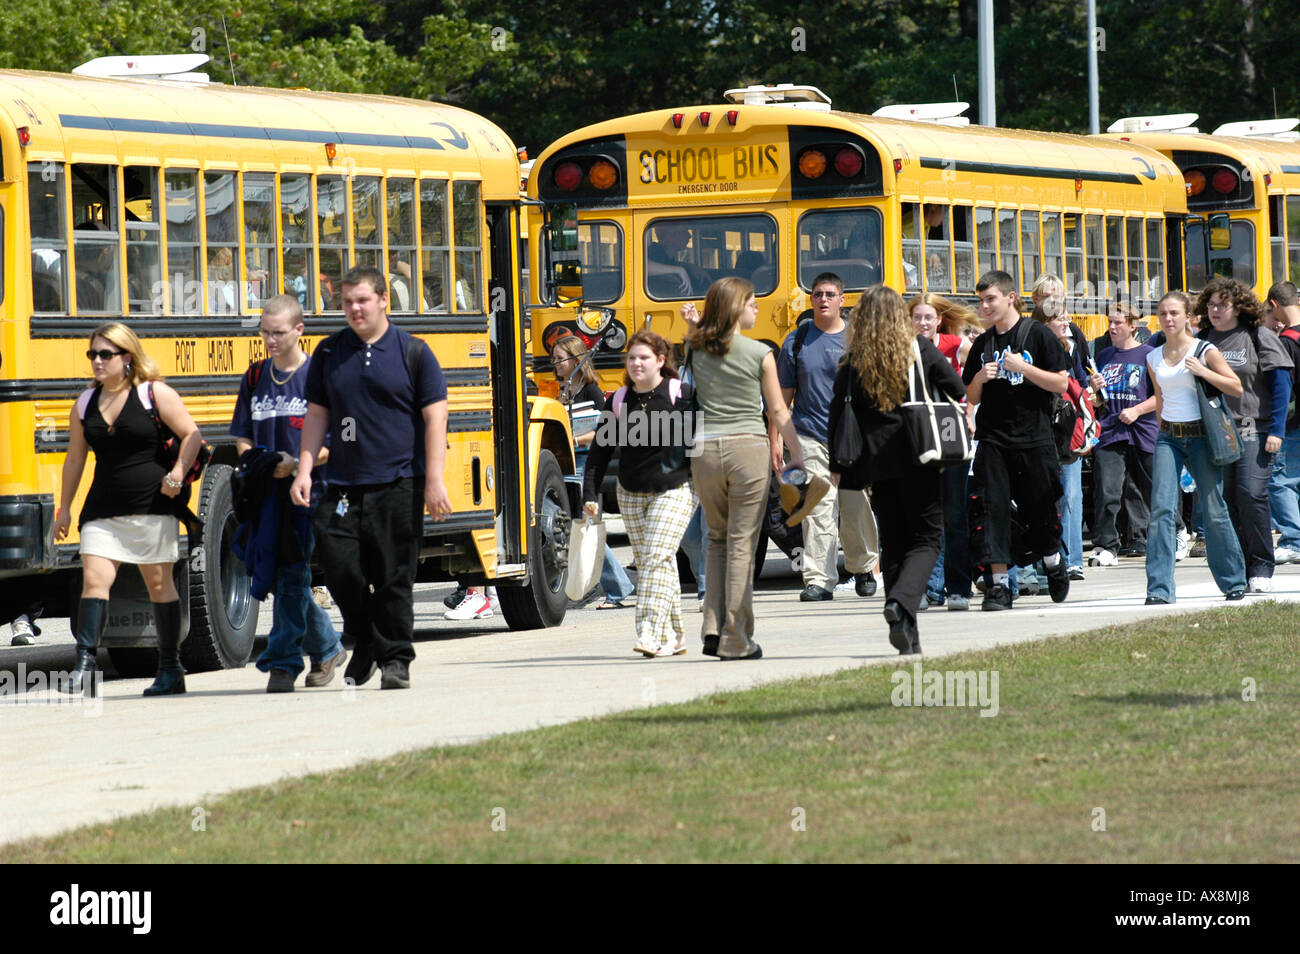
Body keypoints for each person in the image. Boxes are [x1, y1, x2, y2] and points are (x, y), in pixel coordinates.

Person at [291, 266, 451, 690]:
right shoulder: (329, 354)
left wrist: (434, 480)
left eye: (362, 300)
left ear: (384, 300)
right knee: (341, 571)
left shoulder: (413, 353)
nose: (354, 309)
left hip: (400, 482)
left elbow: (436, 417)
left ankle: (395, 659)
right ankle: (365, 639)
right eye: (346, 302)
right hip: (341, 485)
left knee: (394, 577)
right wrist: (304, 469)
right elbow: (318, 415)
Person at [54, 322, 203, 696]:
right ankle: (85, 664)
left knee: (158, 583)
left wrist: (178, 473)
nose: (97, 362)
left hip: (151, 504)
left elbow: (192, 434)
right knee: (94, 581)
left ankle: (170, 668)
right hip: (102, 508)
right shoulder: (85, 403)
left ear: (127, 357)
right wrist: (64, 508)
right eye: (93, 355)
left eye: (106, 354)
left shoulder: (154, 394)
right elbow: (75, 459)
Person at [829, 286, 966, 654]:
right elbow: (955, 386)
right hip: (920, 454)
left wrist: (835, 466)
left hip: (873, 464)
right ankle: (901, 603)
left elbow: (837, 414)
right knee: (927, 539)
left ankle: (908, 635)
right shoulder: (919, 349)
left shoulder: (852, 358)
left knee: (894, 543)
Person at [682, 277, 805, 660]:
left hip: (704, 451)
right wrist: (797, 453)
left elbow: (700, 342)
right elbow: (778, 410)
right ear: (736, 307)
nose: (757, 308)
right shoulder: (760, 353)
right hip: (746, 447)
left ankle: (711, 626)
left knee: (716, 540)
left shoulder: (694, 349)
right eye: (752, 302)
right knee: (741, 545)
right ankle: (736, 636)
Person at [230, 294, 347, 692]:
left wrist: (297, 466)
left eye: (278, 332)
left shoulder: (320, 377)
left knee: (293, 572)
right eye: (264, 332)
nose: (269, 340)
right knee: (278, 575)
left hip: (309, 491)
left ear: (300, 330)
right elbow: (243, 435)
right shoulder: (255, 376)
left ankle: (283, 662)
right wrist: (255, 465)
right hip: (265, 494)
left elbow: (337, 444)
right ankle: (328, 646)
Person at [582, 330, 697, 656]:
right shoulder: (618, 400)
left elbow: (700, 446)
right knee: (657, 562)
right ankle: (675, 635)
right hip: (631, 493)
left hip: (676, 489)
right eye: (632, 357)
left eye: (644, 357)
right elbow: (600, 452)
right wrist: (590, 492)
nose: (636, 363)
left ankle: (649, 632)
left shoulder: (681, 394)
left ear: (661, 361)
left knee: (655, 559)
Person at [963, 270, 1072, 611]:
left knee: (1040, 508)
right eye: (980, 301)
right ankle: (998, 587)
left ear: (1010, 297)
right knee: (990, 509)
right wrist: (981, 376)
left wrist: (1023, 369)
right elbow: (972, 395)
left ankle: (1053, 561)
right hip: (994, 439)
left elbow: (1061, 384)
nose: (984, 306)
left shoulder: (1036, 334)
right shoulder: (982, 344)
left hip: (1035, 438)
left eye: (990, 299)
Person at [772, 272, 881, 602]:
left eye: (829, 294)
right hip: (809, 434)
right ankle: (819, 579)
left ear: (842, 300)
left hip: (851, 439)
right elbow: (781, 398)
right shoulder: (797, 340)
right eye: (817, 294)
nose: (823, 299)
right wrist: (775, 440)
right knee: (818, 507)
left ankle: (863, 566)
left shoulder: (858, 340)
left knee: (856, 505)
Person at [1144, 291, 1247, 603]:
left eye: (1174, 313)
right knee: (1161, 508)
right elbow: (1161, 399)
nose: (1168, 319)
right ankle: (1159, 589)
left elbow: (1236, 387)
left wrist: (1203, 371)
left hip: (1202, 436)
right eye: (1162, 314)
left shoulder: (1205, 350)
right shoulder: (1152, 356)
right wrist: (1161, 431)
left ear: (1188, 316)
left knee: (1214, 510)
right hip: (1168, 438)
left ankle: (1233, 582)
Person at [1195, 277, 1293, 593]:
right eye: (1210, 305)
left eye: (1221, 305)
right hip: (1217, 430)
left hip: (1256, 427)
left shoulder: (1257, 335)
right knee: (1227, 502)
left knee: (1251, 493)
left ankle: (1262, 566)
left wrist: (1277, 430)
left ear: (1237, 307)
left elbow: (1281, 386)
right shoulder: (1203, 340)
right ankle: (1241, 568)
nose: (1214, 310)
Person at [548, 334, 637, 612]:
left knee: (586, 529)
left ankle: (617, 587)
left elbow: (604, 430)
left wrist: (574, 441)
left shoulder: (592, 392)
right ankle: (607, 586)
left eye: (560, 359)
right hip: (569, 465)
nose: (556, 363)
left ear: (576, 360)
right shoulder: (563, 393)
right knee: (578, 528)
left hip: (586, 466)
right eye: (554, 359)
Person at [909, 293, 977, 611]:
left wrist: (970, 413)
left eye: (928, 317)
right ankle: (927, 587)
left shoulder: (955, 344)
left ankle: (959, 587)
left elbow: (975, 382)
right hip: (917, 433)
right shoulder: (902, 349)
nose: (923, 322)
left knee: (954, 513)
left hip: (950, 430)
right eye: (917, 317)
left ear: (939, 320)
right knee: (923, 515)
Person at [1088, 304, 1158, 567]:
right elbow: (1095, 402)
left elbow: (1160, 396)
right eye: (1110, 322)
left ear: (1132, 325)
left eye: (1118, 322)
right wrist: (1093, 391)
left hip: (1143, 431)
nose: (1113, 327)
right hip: (1110, 431)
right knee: (1107, 490)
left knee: (1151, 488)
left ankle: (1167, 535)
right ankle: (1106, 545)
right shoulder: (1103, 356)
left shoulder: (1149, 355)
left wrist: (1138, 410)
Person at [1034, 300, 1092, 581]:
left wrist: (1091, 391)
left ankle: (1072, 561)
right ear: (1045, 323)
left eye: (1068, 318)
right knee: (1049, 496)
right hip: (1044, 429)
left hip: (1068, 429)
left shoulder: (1071, 348)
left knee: (1071, 494)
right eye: (1061, 319)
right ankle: (1054, 560)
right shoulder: (1035, 349)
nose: (1067, 324)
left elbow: (1078, 383)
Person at [1263, 281, 1300, 564]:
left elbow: (1283, 386)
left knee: (1279, 480)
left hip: (1292, 422)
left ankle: (1293, 539)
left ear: (1275, 304)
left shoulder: (1286, 341)